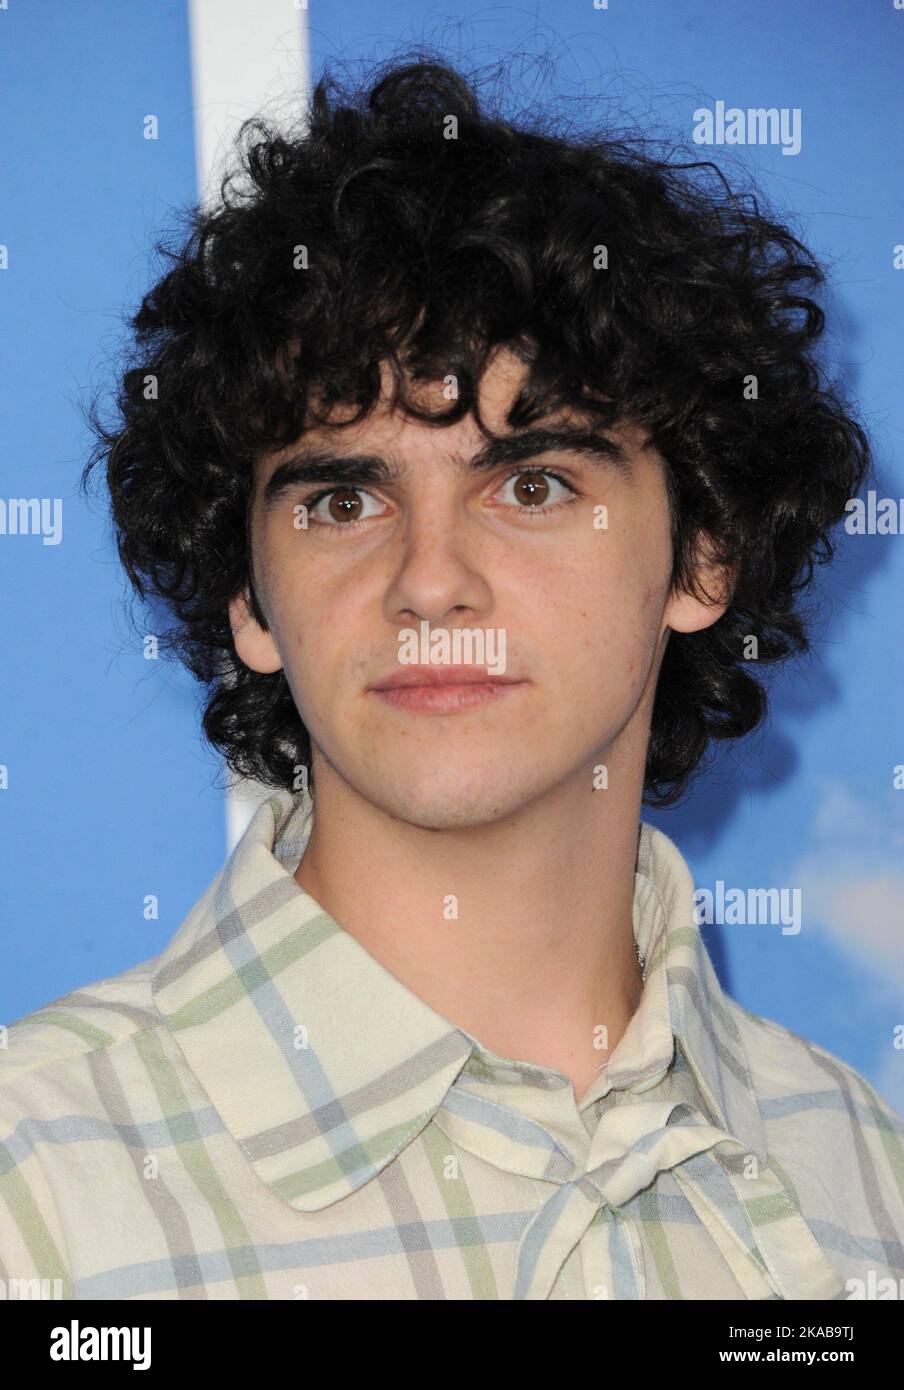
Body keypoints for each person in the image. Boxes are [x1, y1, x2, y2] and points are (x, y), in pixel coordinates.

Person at [2, 55, 902, 1302]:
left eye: (531, 485)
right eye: (340, 497)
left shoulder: (859, 1169)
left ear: (702, 555)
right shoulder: (35, 1185)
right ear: (252, 598)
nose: (429, 580)